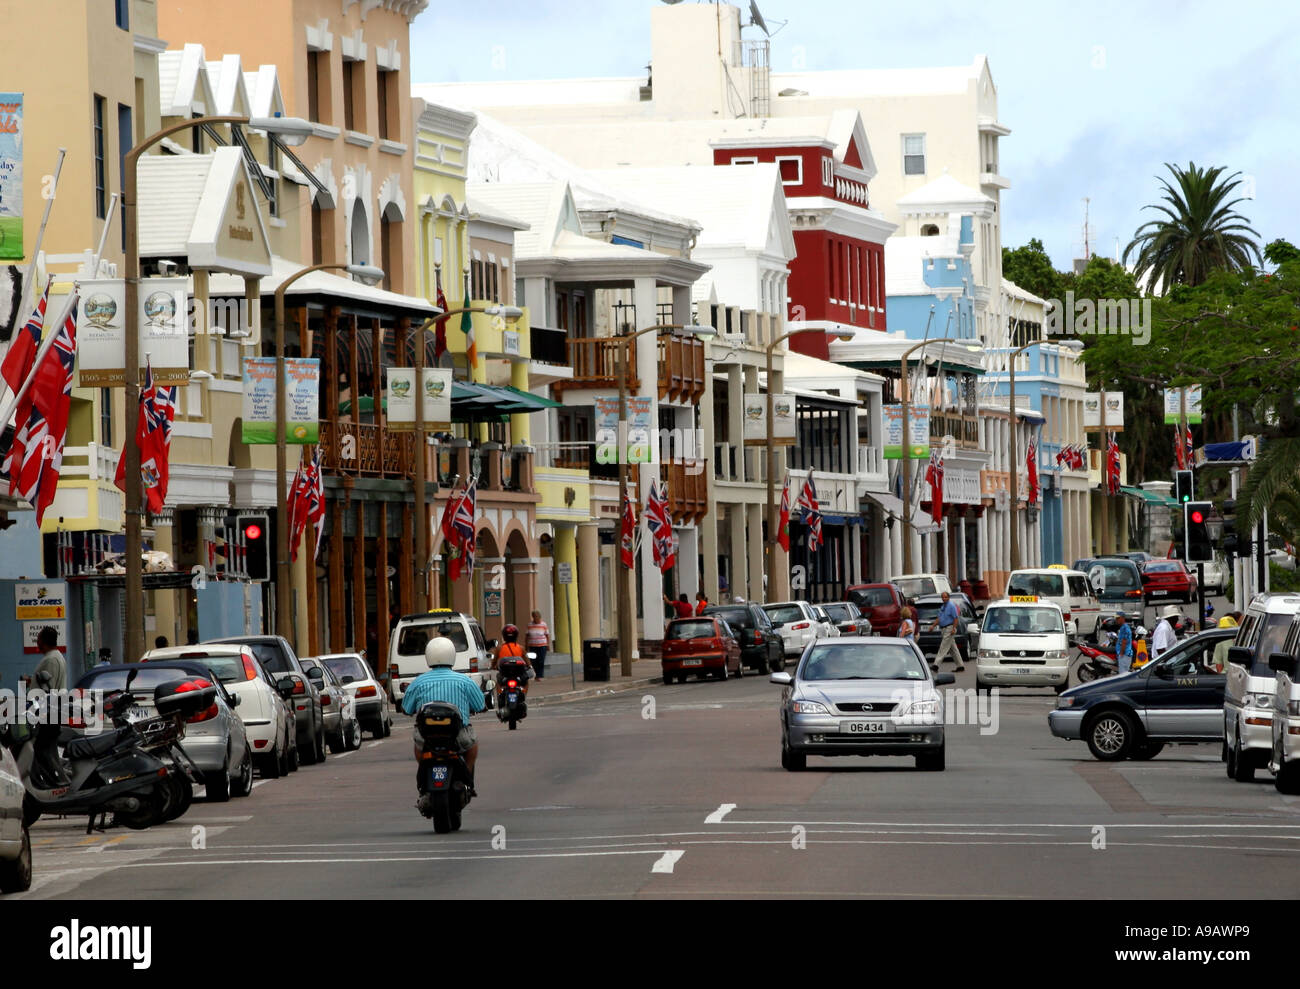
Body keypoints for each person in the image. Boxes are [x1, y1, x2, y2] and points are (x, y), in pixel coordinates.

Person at [402, 637, 485, 795]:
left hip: (426, 739)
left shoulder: (418, 682)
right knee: (472, 746)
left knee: (417, 744)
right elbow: (480, 705)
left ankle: (424, 776)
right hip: (458, 737)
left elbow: (406, 708)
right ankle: (466, 777)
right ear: (452, 656)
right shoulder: (464, 681)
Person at [927, 591, 965, 672]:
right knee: (953, 648)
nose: (944, 598)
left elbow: (955, 618)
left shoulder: (951, 606)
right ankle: (960, 666)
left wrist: (954, 628)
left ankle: (936, 665)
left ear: (948, 597)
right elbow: (939, 618)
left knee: (943, 646)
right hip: (943, 628)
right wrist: (933, 626)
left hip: (949, 628)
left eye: (945, 597)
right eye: (943, 597)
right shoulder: (943, 606)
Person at [34, 626, 66, 691]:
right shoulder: (57, 655)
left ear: (44, 641)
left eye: (38, 639)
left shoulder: (50, 660)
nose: (37, 642)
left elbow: (48, 689)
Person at [525, 611, 549, 680]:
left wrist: (548, 644)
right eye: (534, 616)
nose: (535, 618)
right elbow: (527, 636)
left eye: (537, 616)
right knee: (533, 661)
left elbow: (547, 635)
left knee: (541, 660)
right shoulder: (529, 625)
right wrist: (526, 645)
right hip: (532, 645)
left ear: (539, 617)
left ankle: (540, 675)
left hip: (542, 645)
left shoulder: (543, 624)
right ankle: (537, 674)